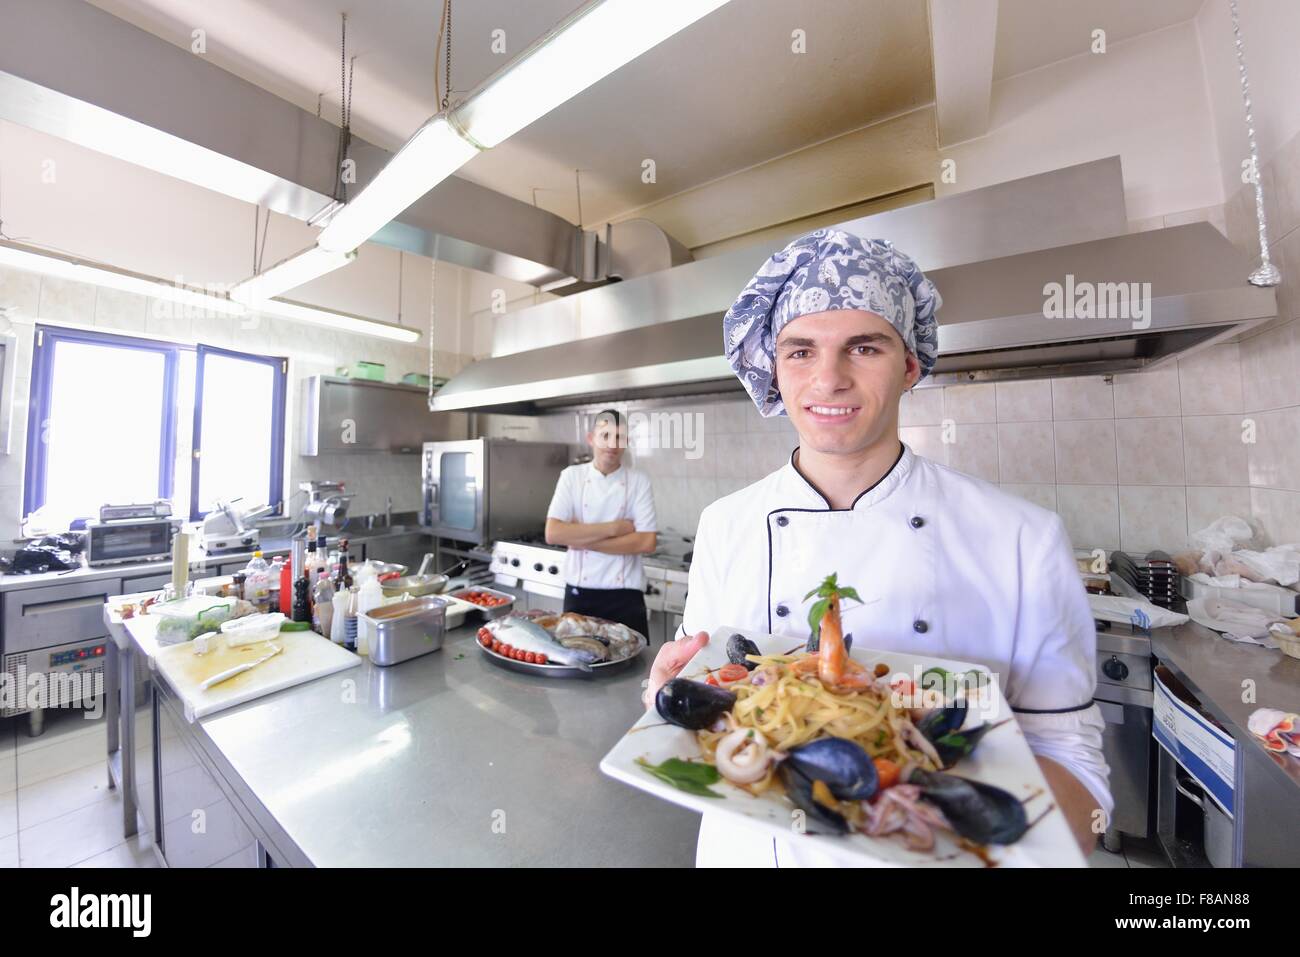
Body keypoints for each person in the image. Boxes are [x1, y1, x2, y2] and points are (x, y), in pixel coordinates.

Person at [641, 229, 1110, 866]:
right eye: (800, 351)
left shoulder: (1023, 537)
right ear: (774, 369)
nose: (828, 379)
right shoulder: (725, 523)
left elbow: (1070, 757)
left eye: (864, 347)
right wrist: (666, 696)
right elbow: (706, 691)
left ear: (911, 364)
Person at [545, 409, 657, 635]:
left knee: (633, 664)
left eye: (619, 437)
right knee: (578, 658)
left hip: (625, 594)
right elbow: (554, 533)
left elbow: (646, 542)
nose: (612, 444)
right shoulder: (571, 476)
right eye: (605, 435)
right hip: (579, 592)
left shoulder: (638, 481)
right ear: (591, 438)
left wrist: (580, 537)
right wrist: (615, 528)